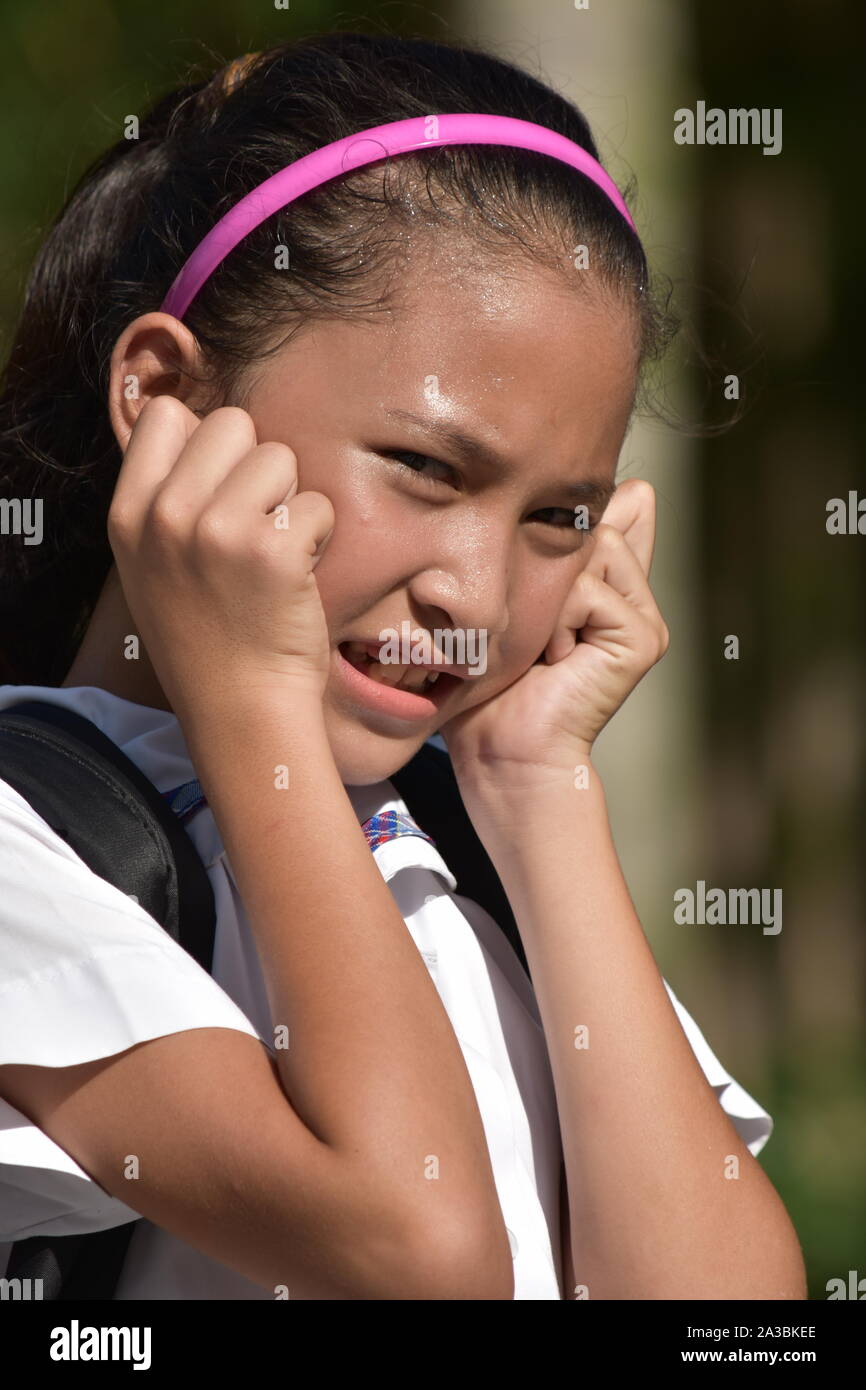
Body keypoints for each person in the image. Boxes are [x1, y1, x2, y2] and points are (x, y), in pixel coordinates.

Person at [0, 31, 806, 1300]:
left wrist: (538, 791)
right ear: (162, 399)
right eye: (427, 468)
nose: (476, 595)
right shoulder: (27, 848)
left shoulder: (464, 844)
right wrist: (252, 705)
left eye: (558, 516)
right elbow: (418, 1254)